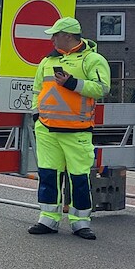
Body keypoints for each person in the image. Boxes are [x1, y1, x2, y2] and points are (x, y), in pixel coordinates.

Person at [28, 16, 110, 240]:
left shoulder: (92, 59)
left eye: (55, 35)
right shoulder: (47, 61)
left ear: (67, 36)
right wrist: (36, 115)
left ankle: (80, 222)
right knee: (48, 175)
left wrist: (72, 83)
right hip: (47, 129)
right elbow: (37, 90)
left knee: (79, 178)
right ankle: (48, 218)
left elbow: (102, 88)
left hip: (77, 130)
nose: (52, 40)